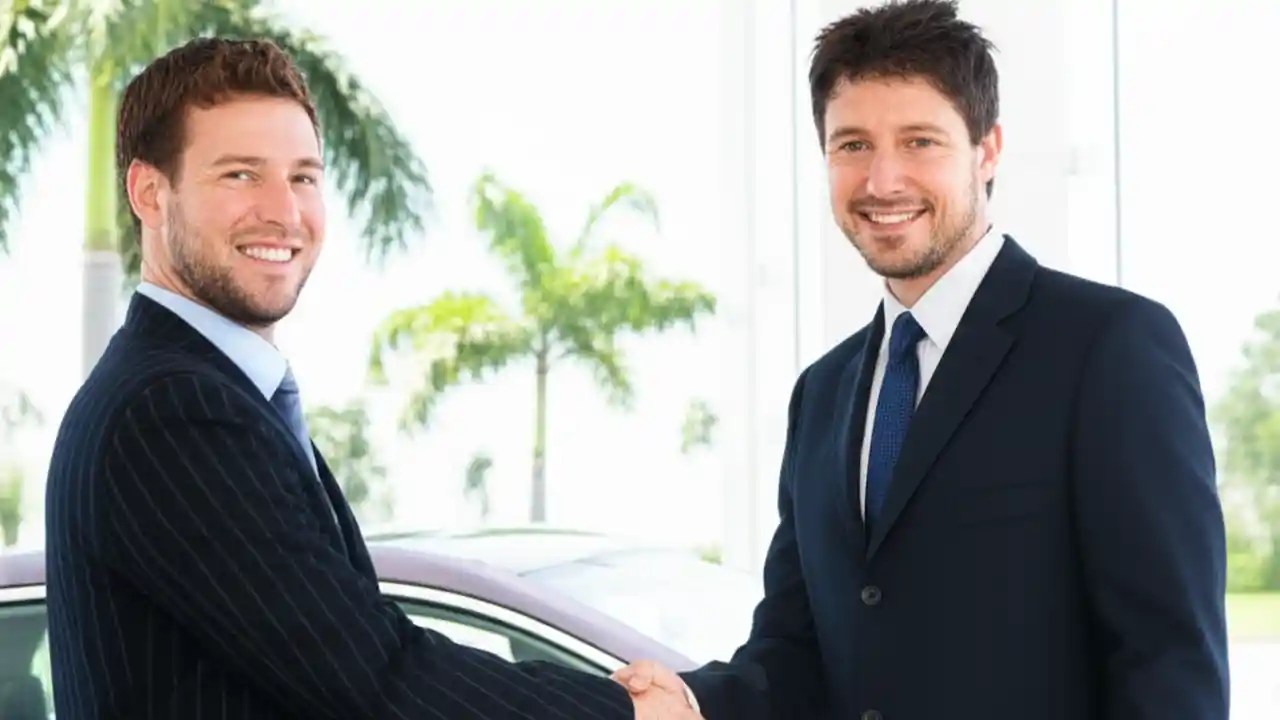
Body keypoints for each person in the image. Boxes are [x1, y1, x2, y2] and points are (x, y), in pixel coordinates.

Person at [44, 37, 699, 720]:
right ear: (150, 192)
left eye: (303, 176)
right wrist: (620, 711)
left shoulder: (204, 393)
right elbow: (369, 674)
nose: (284, 211)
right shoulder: (171, 411)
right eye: (240, 175)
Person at [613, 1, 1229, 718]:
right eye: (852, 146)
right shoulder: (823, 394)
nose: (882, 181)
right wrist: (691, 701)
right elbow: (796, 648)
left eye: (919, 142)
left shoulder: (1109, 348)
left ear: (987, 150)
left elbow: (1169, 663)